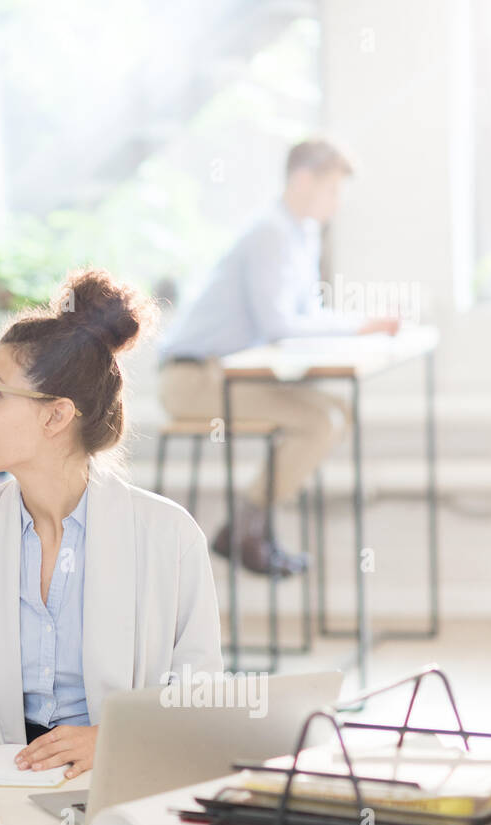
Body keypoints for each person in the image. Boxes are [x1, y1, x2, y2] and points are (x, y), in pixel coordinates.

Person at [0, 269, 223, 780]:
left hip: (123, 776)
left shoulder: (169, 536)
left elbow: (198, 697)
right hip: (1, 778)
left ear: (56, 416)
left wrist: (114, 740)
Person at [157, 139, 401, 576]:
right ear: (302, 179)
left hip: (228, 376)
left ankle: (248, 529)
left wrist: (358, 324)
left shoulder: (300, 233)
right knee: (321, 421)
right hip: (195, 379)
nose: (337, 202)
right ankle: (247, 528)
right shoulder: (270, 232)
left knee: (338, 412)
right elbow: (280, 324)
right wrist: (357, 328)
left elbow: (305, 316)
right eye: (332, 190)